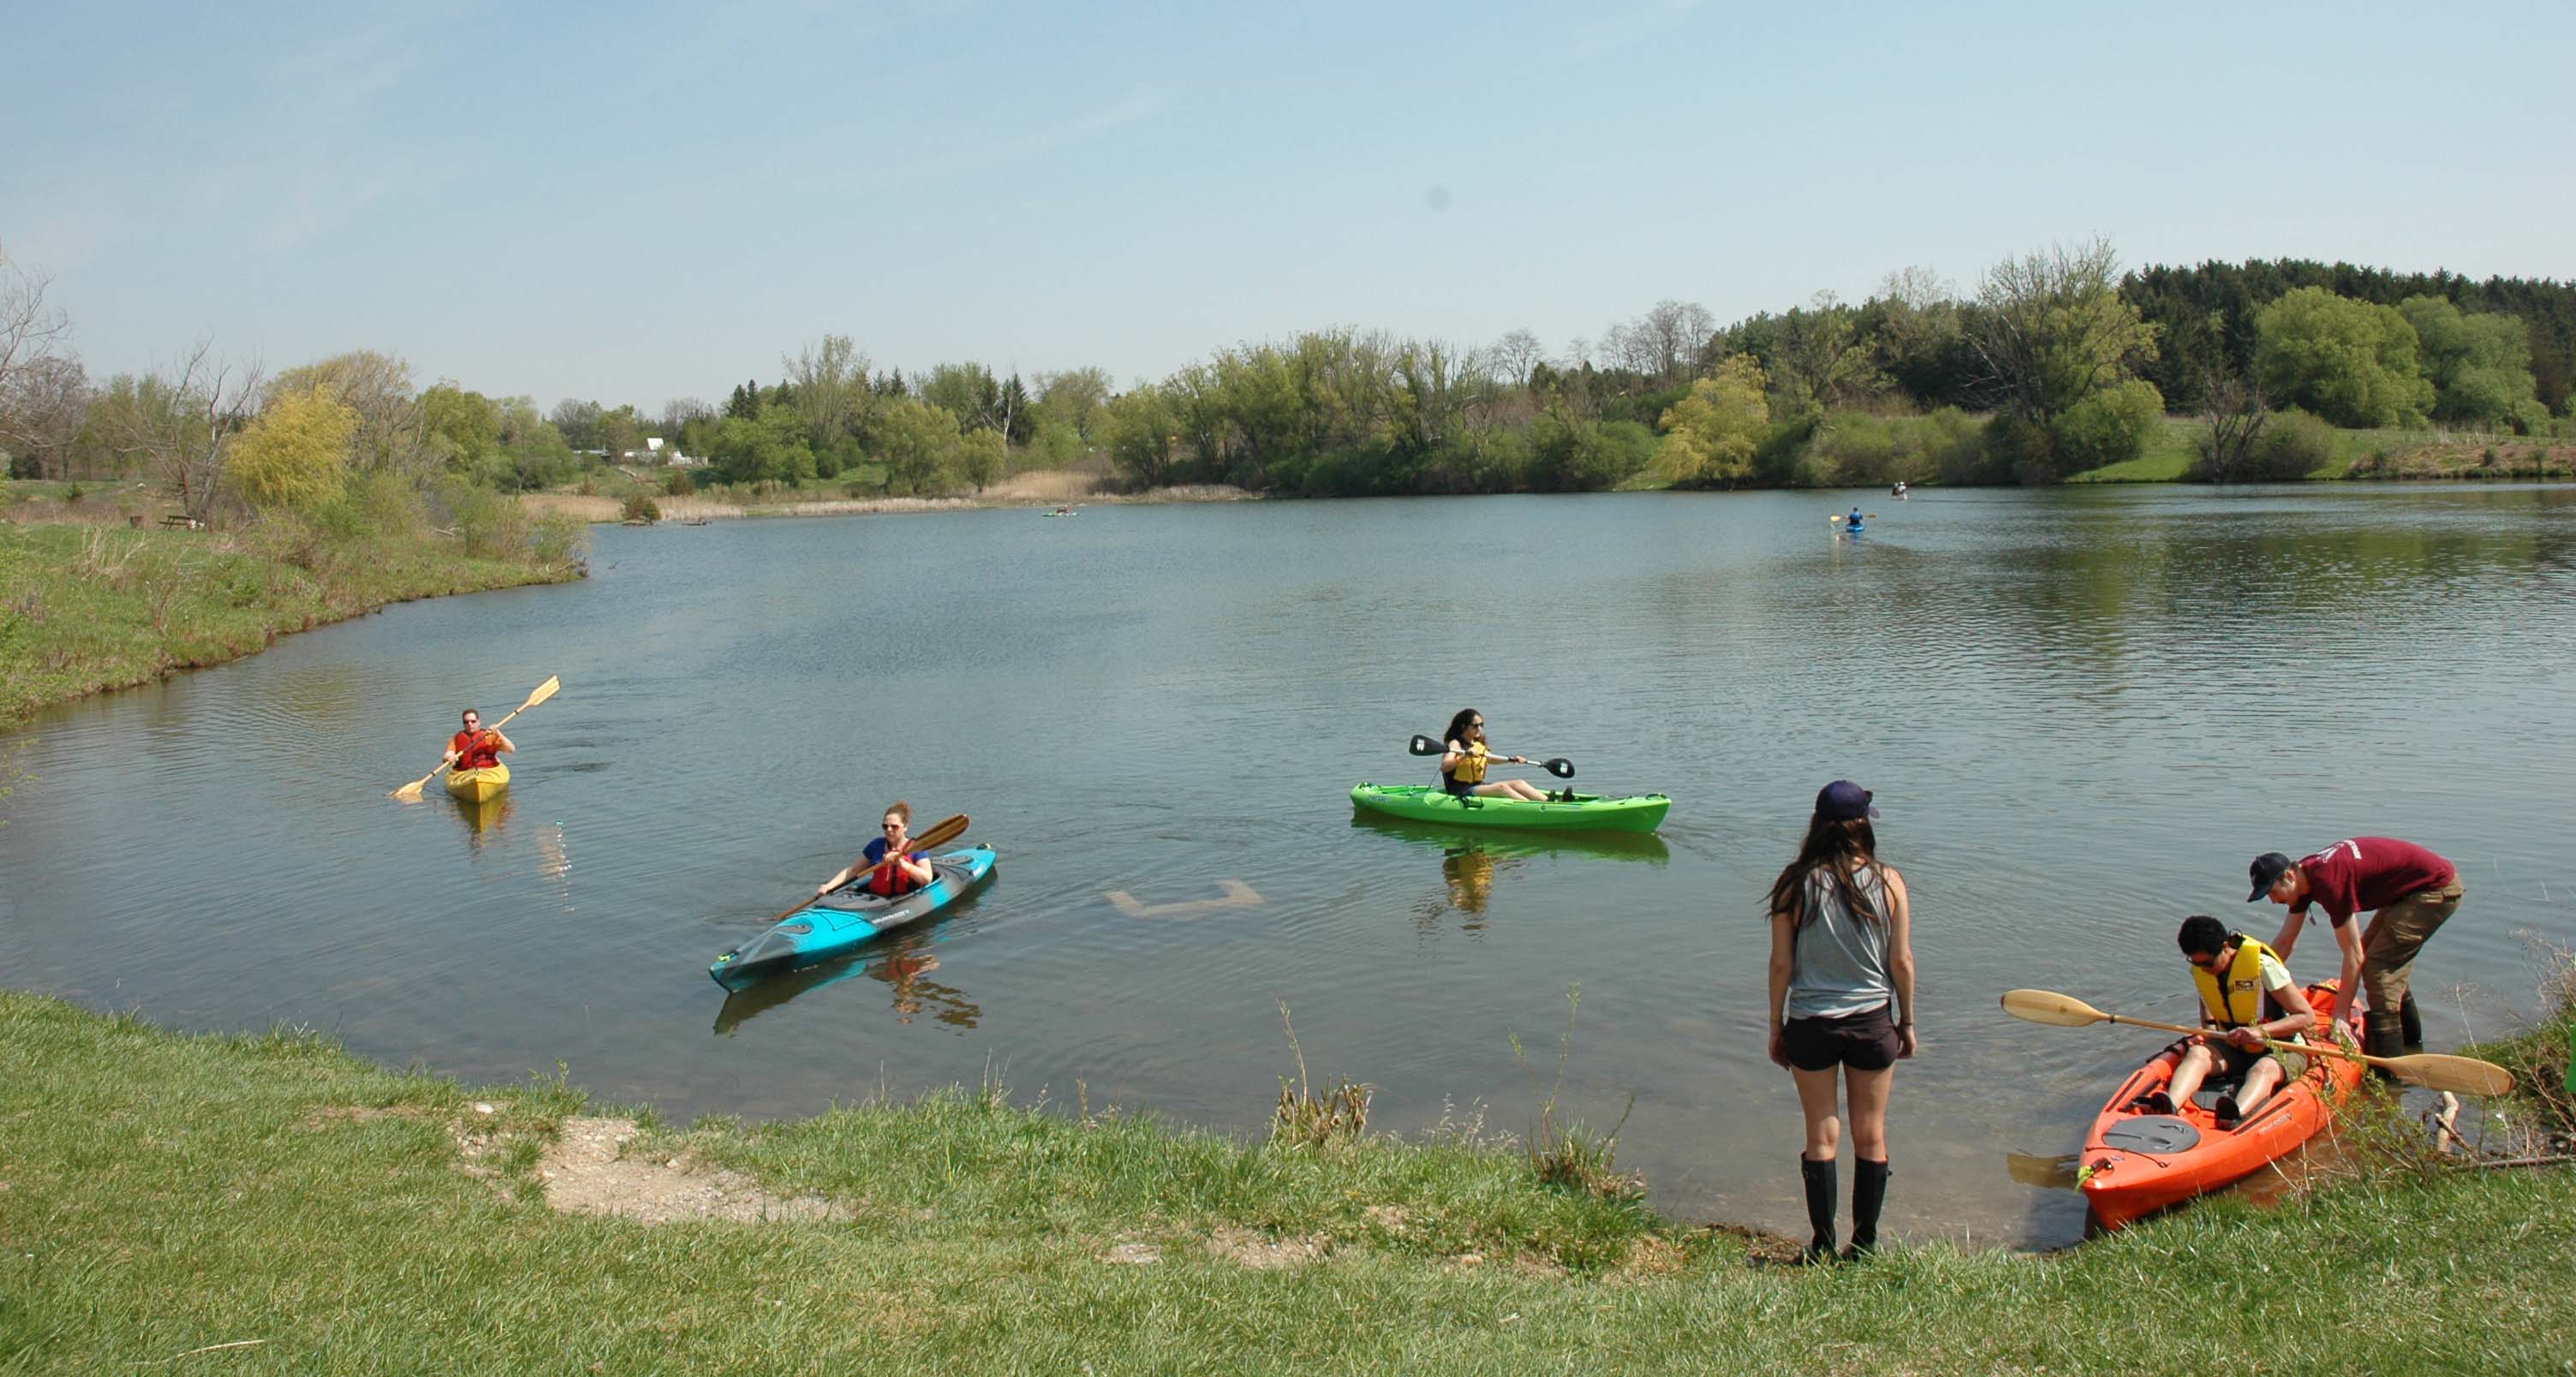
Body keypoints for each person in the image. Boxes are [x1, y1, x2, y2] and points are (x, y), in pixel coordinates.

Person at [1767, 780, 1916, 1261]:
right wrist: (1907, 1022)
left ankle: (1821, 1245)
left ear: (1816, 825)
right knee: (1870, 1132)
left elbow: (1781, 966)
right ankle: (1866, 1245)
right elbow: (1903, 962)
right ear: (1863, 825)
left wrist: (1776, 1025)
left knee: (1820, 1134)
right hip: (1873, 1021)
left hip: (1811, 1023)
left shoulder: (1794, 883)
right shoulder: (1889, 880)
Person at [2251, 838, 2463, 1058]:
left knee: (2379, 970)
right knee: (2380, 959)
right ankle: (2412, 1047)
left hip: (2435, 889)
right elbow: (2285, 943)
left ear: (2290, 876)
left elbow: (2354, 956)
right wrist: (2255, 975)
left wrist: (2340, 1016)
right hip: (2408, 892)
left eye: (2272, 892)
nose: (2273, 901)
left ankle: (2390, 1068)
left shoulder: (2330, 883)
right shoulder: (2304, 879)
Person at [2139, 917, 2322, 1128]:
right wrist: (2213, 1035)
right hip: (2235, 1048)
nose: (2204, 969)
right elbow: (2208, 1022)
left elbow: (2307, 1017)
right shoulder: (2202, 971)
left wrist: (2258, 1032)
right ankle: (2169, 1105)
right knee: (2198, 1054)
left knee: (2262, 1068)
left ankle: (2235, 1115)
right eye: (2196, 963)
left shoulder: (2263, 966)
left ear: (2225, 947)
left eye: (2208, 963)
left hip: (2280, 1047)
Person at [816, 801, 938, 900]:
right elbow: (853, 871)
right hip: (876, 900)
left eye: (894, 826)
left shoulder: (916, 848)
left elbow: (927, 878)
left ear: (905, 827)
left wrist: (902, 863)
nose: (889, 830)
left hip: (905, 899)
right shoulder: (876, 845)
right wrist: (829, 886)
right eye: (885, 826)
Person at [1439, 709, 1558, 802]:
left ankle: (1550, 802)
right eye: (1475, 726)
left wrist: (1511, 760)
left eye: (1481, 724)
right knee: (1501, 787)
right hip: (1460, 789)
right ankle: (1531, 808)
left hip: (1477, 785)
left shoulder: (1477, 743)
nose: (1479, 728)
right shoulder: (1455, 744)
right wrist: (1464, 756)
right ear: (1464, 726)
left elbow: (1490, 759)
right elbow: (1445, 767)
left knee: (1519, 783)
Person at [444, 708, 514, 773]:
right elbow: (448, 754)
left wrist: (498, 733)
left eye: (473, 721)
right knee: (476, 773)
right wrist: (449, 757)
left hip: (489, 771)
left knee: (477, 773)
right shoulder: (456, 738)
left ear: (479, 722)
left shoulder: (489, 736)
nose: (470, 724)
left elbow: (511, 750)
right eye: (466, 722)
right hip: (465, 773)